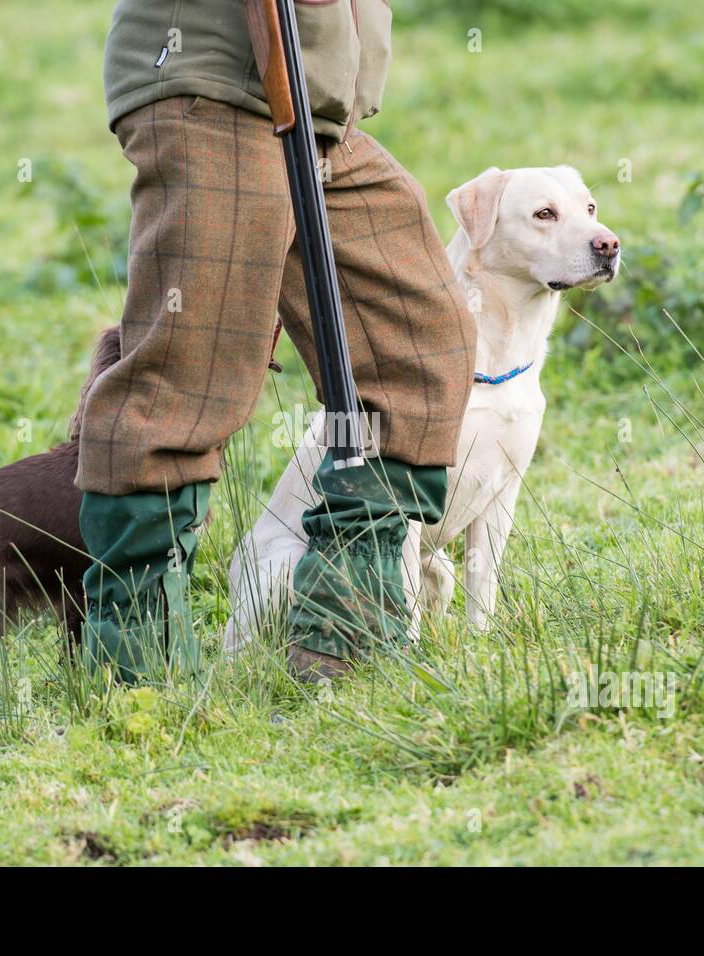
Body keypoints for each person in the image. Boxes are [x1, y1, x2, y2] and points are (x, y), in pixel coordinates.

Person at [75, 0, 475, 684]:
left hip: (315, 108)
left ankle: (347, 632)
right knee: (190, 368)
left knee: (417, 333)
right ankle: (137, 672)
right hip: (212, 86)